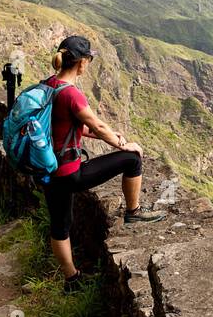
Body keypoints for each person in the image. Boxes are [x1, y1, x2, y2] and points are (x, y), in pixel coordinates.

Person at [43, 35, 164, 292]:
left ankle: (72, 280)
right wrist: (123, 145)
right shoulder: (72, 94)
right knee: (132, 159)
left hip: (47, 170)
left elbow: (75, 125)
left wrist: (104, 134)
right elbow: (95, 124)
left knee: (60, 226)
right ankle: (133, 212)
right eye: (88, 59)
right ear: (82, 63)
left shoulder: (48, 85)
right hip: (69, 172)